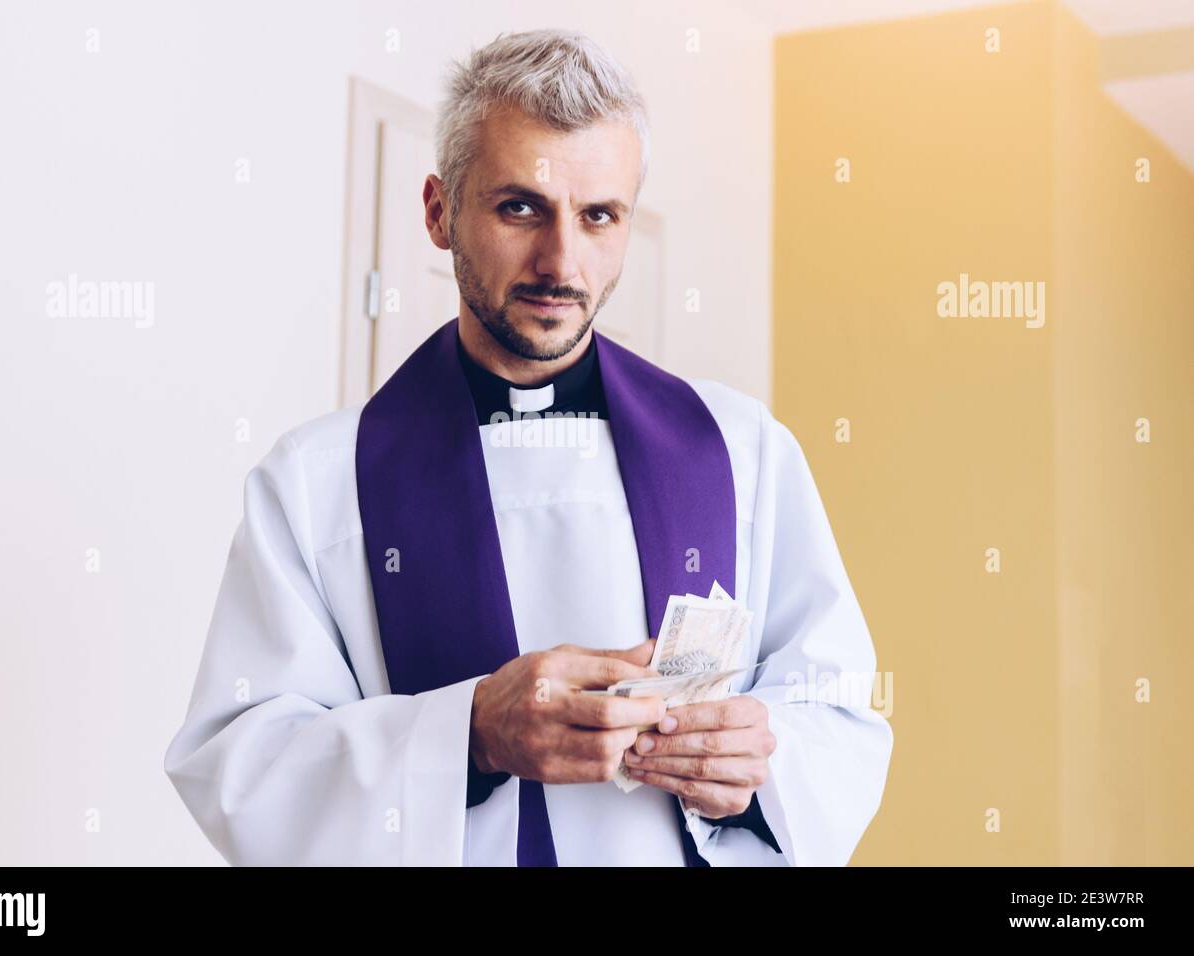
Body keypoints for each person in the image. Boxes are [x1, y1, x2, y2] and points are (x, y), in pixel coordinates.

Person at [164, 28, 892, 866]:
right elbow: (241, 766)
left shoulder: (740, 451)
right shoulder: (318, 482)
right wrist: (470, 733)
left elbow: (839, 714)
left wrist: (763, 761)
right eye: (520, 207)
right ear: (439, 212)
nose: (562, 261)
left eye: (598, 216)